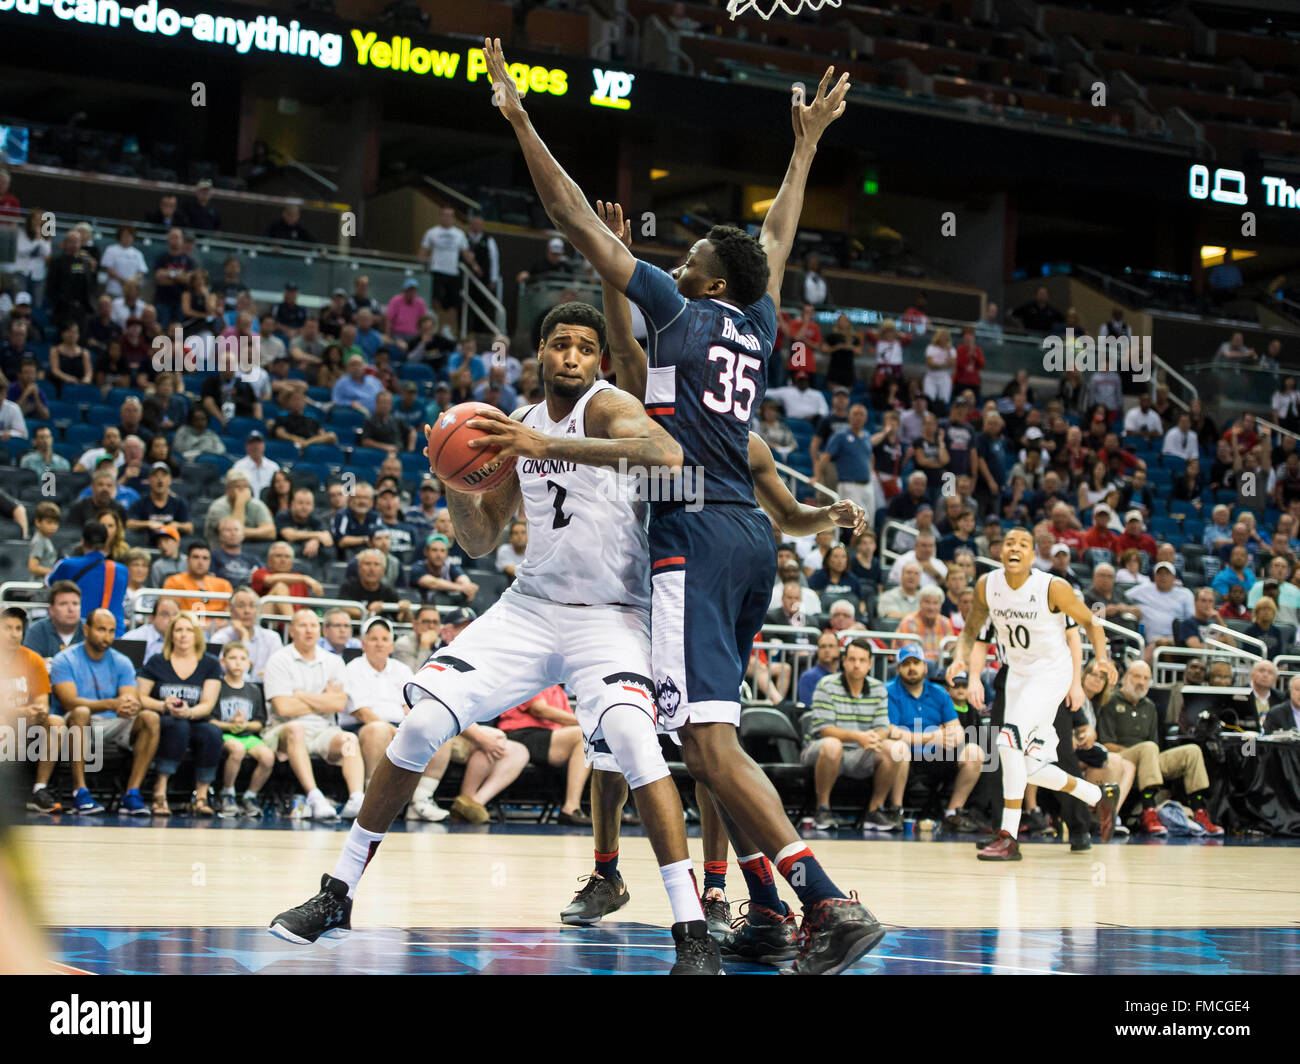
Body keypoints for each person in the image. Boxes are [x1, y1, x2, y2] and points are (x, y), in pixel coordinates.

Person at [271, 299, 727, 975]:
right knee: (422, 721)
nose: (570, 356)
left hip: (610, 612)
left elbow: (664, 452)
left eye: (582, 346)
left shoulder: (604, 407)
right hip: (531, 606)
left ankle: (690, 931)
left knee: (632, 740)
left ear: (597, 359)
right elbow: (482, 540)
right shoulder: (516, 425)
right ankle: (337, 892)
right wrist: (453, 478)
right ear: (537, 354)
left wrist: (546, 446)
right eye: (558, 344)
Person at [947, 527, 1121, 861]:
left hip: (1051, 673)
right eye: (1009, 542)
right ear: (1001, 551)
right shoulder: (988, 585)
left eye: (1023, 544)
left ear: (1031, 555)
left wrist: (1101, 659)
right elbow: (972, 629)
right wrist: (959, 658)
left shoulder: (1052, 586)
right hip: (1016, 674)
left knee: (1006, 742)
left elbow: (1091, 623)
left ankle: (1008, 836)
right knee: (1027, 765)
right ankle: (1097, 795)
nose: (1015, 548)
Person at [49, 609, 160, 815]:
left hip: (113, 724)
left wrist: (131, 705)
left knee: (150, 718)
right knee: (81, 711)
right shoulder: (65, 659)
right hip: (77, 724)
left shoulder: (122, 661)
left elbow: (129, 698)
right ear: (86, 629)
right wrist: (112, 703)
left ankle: (132, 794)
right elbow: (69, 701)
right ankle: (80, 792)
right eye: (101, 630)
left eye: (111, 631)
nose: (107, 636)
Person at [1097, 662, 1222, 836]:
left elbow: (1154, 744)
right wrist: (1142, 752)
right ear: (1125, 678)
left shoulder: (1150, 706)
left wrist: (1147, 755)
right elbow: (1106, 744)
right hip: (1121, 759)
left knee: (1192, 751)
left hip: (1149, 760)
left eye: (1146, 678)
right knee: (1148, 748)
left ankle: (1199, 812)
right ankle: (1149, 812)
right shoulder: (1110, 700)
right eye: (1136, 676)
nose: (1141, 682)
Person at [261, 609, 363, 820]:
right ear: (291, 631)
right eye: (302, 625)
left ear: (320, 630)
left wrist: (300, 695)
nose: (309, 630)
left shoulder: (333, 661)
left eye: (313, 625)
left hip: (323, 729)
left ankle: (356, 800)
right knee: (296, 729)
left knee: (350, 739)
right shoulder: (279, 660)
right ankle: (315, 798)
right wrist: (322, 700)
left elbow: (339, 703)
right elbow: (283, 708)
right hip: (283, 729)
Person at [801, 638, 909, 832]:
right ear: (844, 661)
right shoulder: (826, 685)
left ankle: (875, 810)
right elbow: (824, 729)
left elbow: (883, 727)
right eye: (851, 659)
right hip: (821, 751)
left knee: (896, 748)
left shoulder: (878, 689)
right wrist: (858, 737)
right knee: (833, 744)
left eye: (861, 660)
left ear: (870, 664)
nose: (856, 665)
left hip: (861, 752)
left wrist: (875, 738)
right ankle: (822, 808)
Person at [888, 648, 986, 833]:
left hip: (937, 753)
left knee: (974, 752)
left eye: (915, 663)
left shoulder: (939, 693)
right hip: (904, 753)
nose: (911, 668)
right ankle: (896, 811)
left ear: (925, 667)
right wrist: (930, 738)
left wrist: (951, 738)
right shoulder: (889, 691)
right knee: (898, 748)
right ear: (898, 668)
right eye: (906, 664)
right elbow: (891, 731)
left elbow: (957, 729)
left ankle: (952, 813)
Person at [136, 612, 224, 816]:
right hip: (164, 719)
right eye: (178, 630)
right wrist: (163, 705)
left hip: (195, 717)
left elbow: (208, 703)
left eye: (189, 630)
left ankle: (201, 795)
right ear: (171, 635)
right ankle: (160, 789)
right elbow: (140, 697)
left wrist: (189, 712)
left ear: (197, 635)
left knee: (212, 732)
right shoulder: (157, 661)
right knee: (178, 727)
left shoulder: (209, 664)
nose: (184, 635)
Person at [496, 685, 594, 825]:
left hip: (549, 736)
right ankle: (571, 807)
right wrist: (589, 722)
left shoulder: (559, 690)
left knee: (595, 739)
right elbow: (539, 709)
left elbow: (567, 723)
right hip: (521, 734)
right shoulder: (533, 680)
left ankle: (610, 811)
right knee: (581, 735)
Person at [0, 607, 64, 813]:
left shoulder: (33, 659)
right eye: (7, 628)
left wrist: (36, 713)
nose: (14, 633)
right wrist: (18, 712)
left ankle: (40, 789)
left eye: (18, 628)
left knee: (56, 723)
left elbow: (42, 705)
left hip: (25, 726)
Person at [45, 522, 128, 636]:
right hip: (114, 635)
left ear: (82, 541)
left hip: (83, 635)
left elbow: (49, 582)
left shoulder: (67, 565)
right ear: (106, 542)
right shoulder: (122, 570)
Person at [209, 586, 283, 681]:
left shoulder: (272, 638)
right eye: (241, 606)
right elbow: (221, 672)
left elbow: (279, 671)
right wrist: (245, 637)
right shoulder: (220, 638)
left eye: (252, 606)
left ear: (257, 611)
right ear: (231, 611)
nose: (247, 611)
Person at [163, 541, 234, 630]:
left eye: (205, 558)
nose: (200, 562)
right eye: (196, 557)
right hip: (185, 631)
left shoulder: (224, 585)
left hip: (217, 634)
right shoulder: (174, 582)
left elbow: (231, 616)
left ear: (210, 561)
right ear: (188, 560)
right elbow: (169, 615)